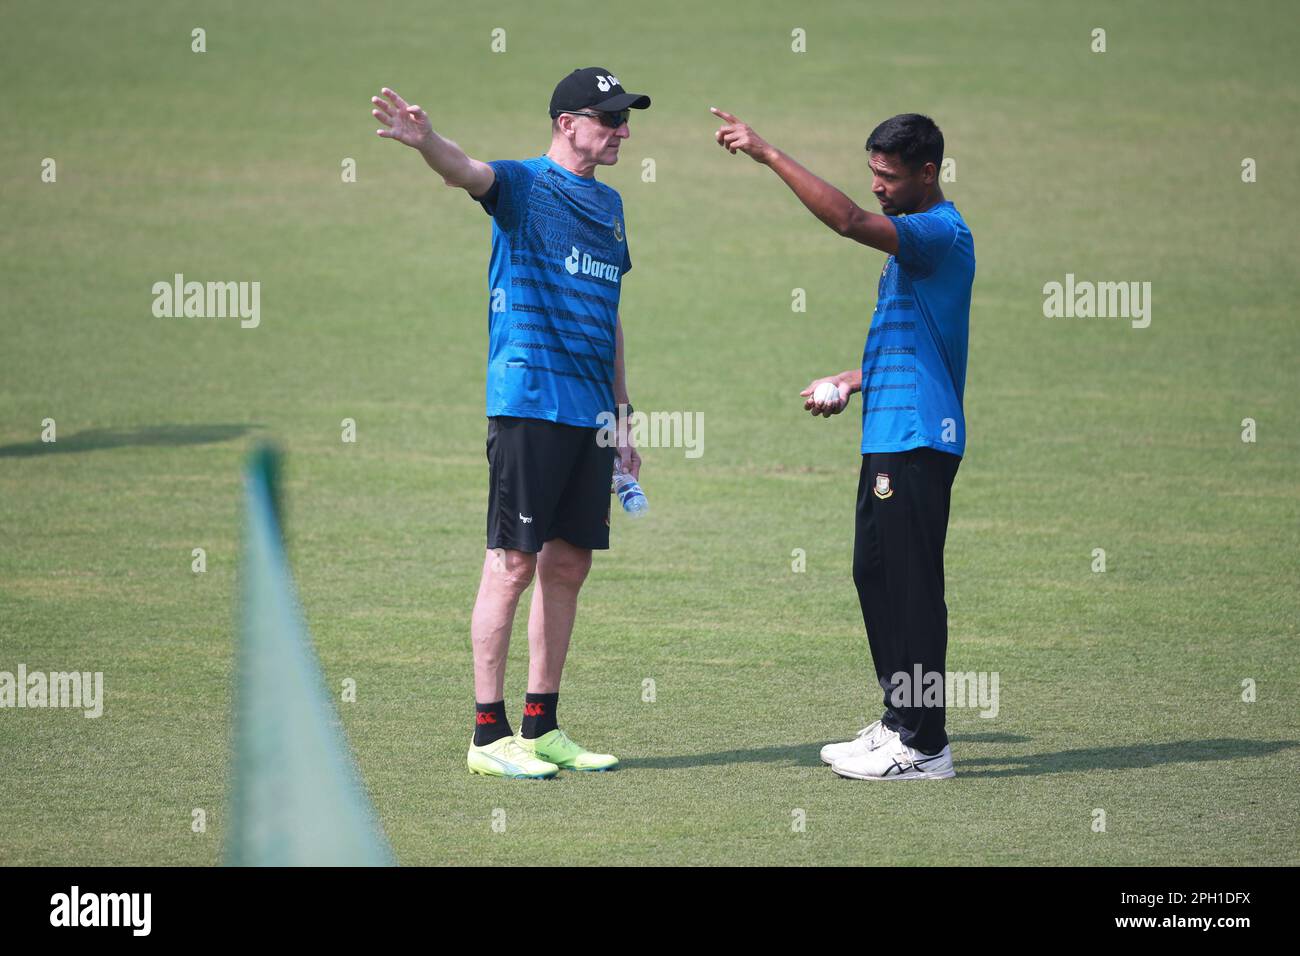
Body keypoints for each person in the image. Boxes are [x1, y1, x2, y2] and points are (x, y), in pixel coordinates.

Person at [372, 68, 650, 779]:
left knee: (569, 563)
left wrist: (621, 414)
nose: (622, 131)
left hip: (588, 414)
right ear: (566, 123)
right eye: (609, 118)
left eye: (626, 120)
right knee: (513, 563)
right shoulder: (524, 186)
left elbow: (610, 310)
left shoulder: (612, 206)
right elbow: (466, 171)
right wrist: (425, 140)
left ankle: (542, 727)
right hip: (529, 403)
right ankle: (486, 735)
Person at [712, 108, 974, 779]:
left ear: (927, 172)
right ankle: (898, 721)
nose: (879, 186)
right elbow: (917, 344)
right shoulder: (916, 244)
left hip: (918, 437)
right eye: (872, 174)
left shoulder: (937, 232)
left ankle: (925, 745)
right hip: (888, 429)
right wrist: (851, 379)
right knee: (875, 574)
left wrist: (768, 153)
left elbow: (849, 221)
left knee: (913, 588)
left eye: (890, 176)